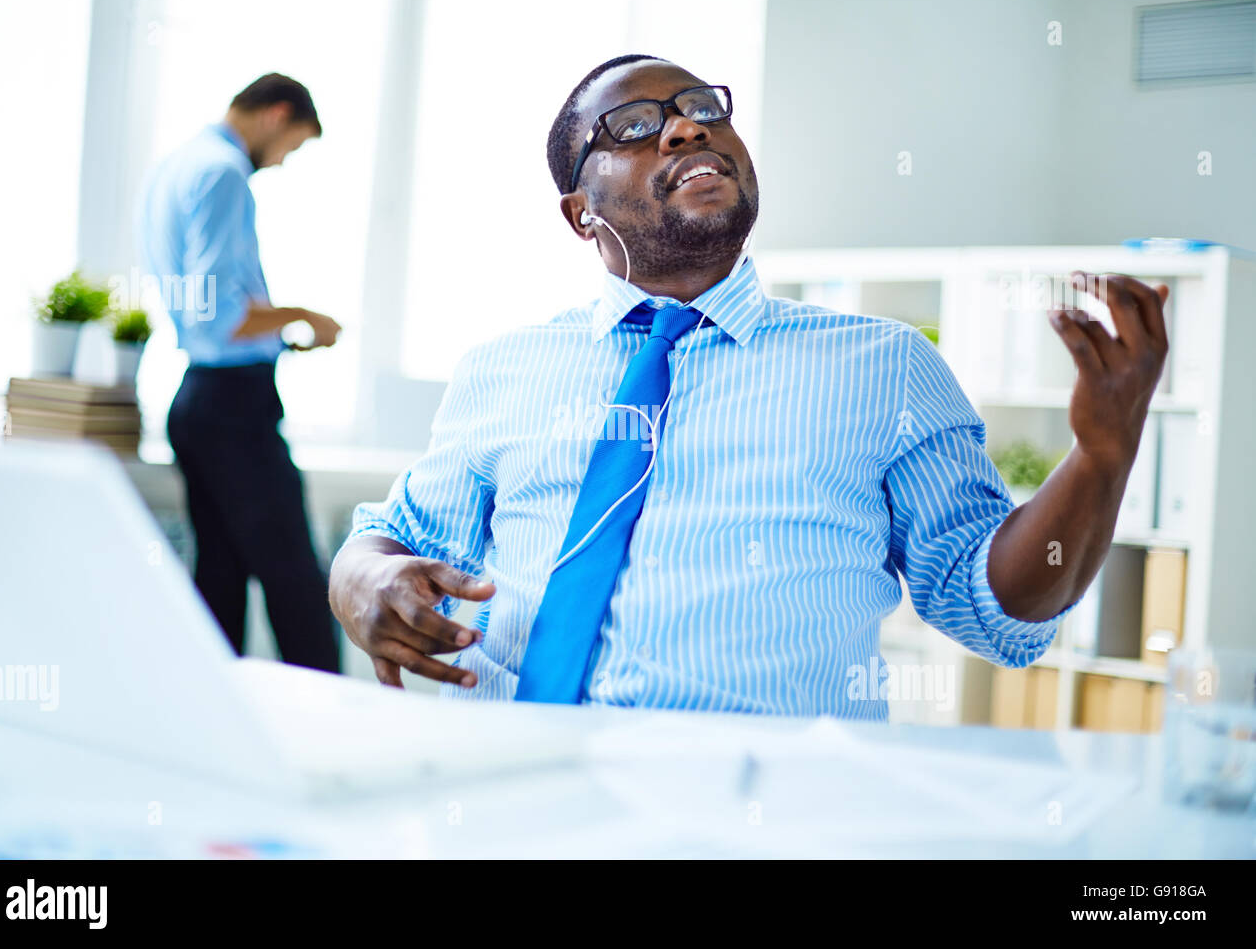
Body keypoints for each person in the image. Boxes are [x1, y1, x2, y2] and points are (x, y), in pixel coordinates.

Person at [329, 55, 1168, 715]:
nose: (686, 131)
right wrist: (360, 582)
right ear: (581, 212)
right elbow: (389, 540)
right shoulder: (500, 369)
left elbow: (997, 612)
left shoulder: (886, 365)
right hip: (518, 795)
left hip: (770, 815)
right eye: (634, 125)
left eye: (702, 109)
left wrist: (1101, 457)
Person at [139, 73, 343, 672]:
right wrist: (307, 315)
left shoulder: (173, 167)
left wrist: (280, 337)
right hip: (234, 407)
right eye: (294, 146)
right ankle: (336, 727)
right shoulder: (225, 173)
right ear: (277, 115)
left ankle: (214, 729)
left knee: (220, 576)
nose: (281, 163)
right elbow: (222, 313)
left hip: (199, 399)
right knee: (297, 580)